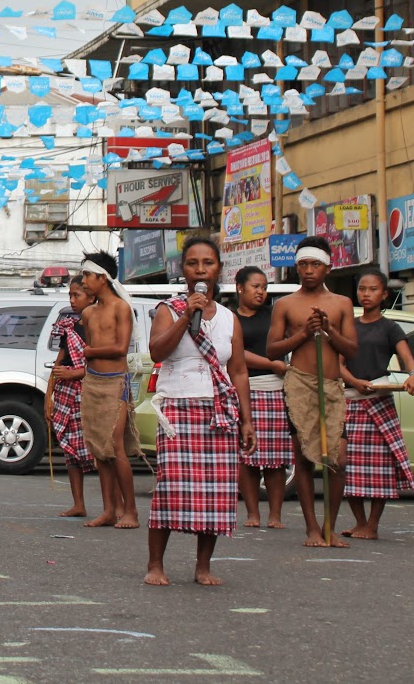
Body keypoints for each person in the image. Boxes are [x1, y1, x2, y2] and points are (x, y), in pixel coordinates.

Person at [144, 237, 255, 586]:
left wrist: (247, 420)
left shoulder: (228, 318)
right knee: (171, 488)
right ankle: (155, 565)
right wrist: (186, 315)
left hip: (218, 411)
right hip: (178, 410)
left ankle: (203, 566)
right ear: (184, 270)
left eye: (208, 262)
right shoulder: (168, 310)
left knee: (218, 492)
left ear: (218, 268)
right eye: (193, 263)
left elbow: (237, 371)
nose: (200, 269)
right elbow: (157, 353)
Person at [268, 236, 358, 548]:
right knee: (305, 458)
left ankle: (330, 527)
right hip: (300, 385)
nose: (308, 270)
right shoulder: (285, 305)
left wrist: (329, 331)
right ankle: (312, 529)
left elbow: (353, 350)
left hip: (331, 386)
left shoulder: (342, 304)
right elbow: (272, 350)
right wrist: (304, 334)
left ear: (327, 268)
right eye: (303, 265)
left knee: (338, 460)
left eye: (315, 265)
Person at [340, 270, 414, 541]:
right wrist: (354, 381)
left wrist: (412, 377)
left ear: (384, 294)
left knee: (380, 468)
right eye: (362, 289)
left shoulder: (390, 327)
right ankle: (359, 522)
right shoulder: (348, 325)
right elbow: (338, 364)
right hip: (351, 399)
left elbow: (408, 358)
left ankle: (372, 525)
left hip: (379, 401)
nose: (366, 294)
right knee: (347, 467)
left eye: (373, 289)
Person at [78, 253, 141, 529]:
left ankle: (131, 511)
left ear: (102, 278)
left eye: (86, 276)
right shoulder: (88, 313)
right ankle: (108, 509)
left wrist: (92, 351)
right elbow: (88, 353)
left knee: (115, 447)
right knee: (99, 448)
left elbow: (120, 348)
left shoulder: (120, 308)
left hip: (116, 382)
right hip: (93, 381)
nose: (83, 281)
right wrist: (89, 355)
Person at [234, 266, 288, 529]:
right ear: (240, 288)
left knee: (276, 459)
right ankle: (252, 513)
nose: (261, 292)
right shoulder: (231, 318)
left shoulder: (274, 315)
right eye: (256, 286)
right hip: (244, 389)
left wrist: (276, 367)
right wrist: (270, 363)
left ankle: (275, 515)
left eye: (264, 287)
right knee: (247, 456)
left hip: (275, 390)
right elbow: (235, 353)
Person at [45, 276, 95, 518]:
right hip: (66, 393)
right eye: (70, 296)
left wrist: (75, 372)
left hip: (90, 393)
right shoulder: (69, 327)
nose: (72, 301)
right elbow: (58, 363)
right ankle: (78, 503)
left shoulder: (98, 326)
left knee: (100, 452)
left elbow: (102, 364)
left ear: (92, 296)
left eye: (77, 295)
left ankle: (113, 506)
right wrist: (49, 396)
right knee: (70, 451)